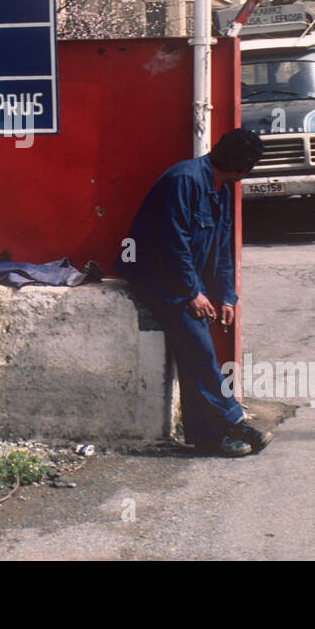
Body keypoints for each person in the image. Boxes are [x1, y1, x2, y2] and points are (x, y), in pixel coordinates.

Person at [116, 128, 271, 458]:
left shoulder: (221, 189)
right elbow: (174, 245)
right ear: (243, 169)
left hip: (183, 281)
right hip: (158, 279)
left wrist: (227, 296)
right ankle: (231, 425)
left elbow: (222, 249)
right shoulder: (184, 181)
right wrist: (192, 293)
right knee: (201, 351)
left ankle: (209, 436)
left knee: (194, 351)